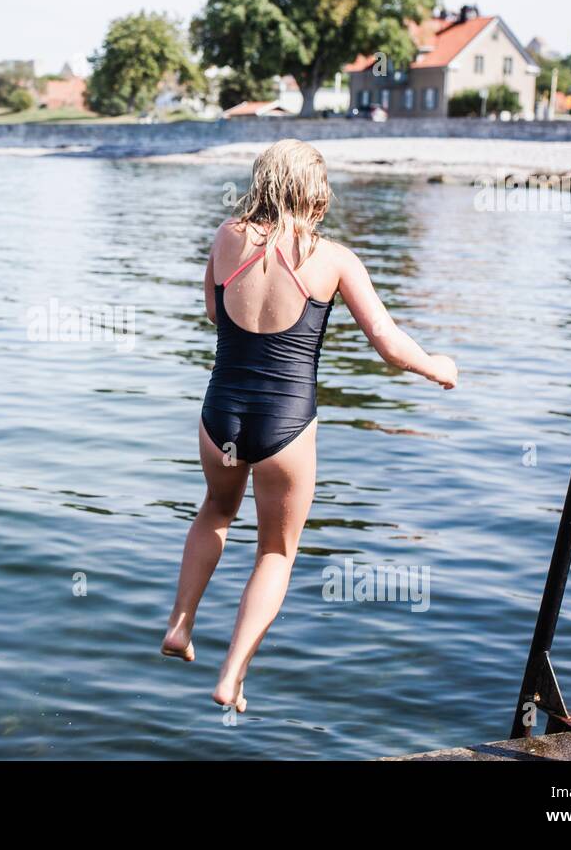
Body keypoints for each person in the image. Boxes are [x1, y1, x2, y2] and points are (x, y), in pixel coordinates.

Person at [160, 139, 458, 712]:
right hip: (285, 426)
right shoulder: (334, 258)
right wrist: (436, 367)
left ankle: (180, 624)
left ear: (263, 183)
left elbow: (213, 311)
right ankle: (232, 674)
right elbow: (389, 345)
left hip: (219, 415)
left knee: (215, 511)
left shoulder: (226, 237)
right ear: (315, 196)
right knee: (274, 550)